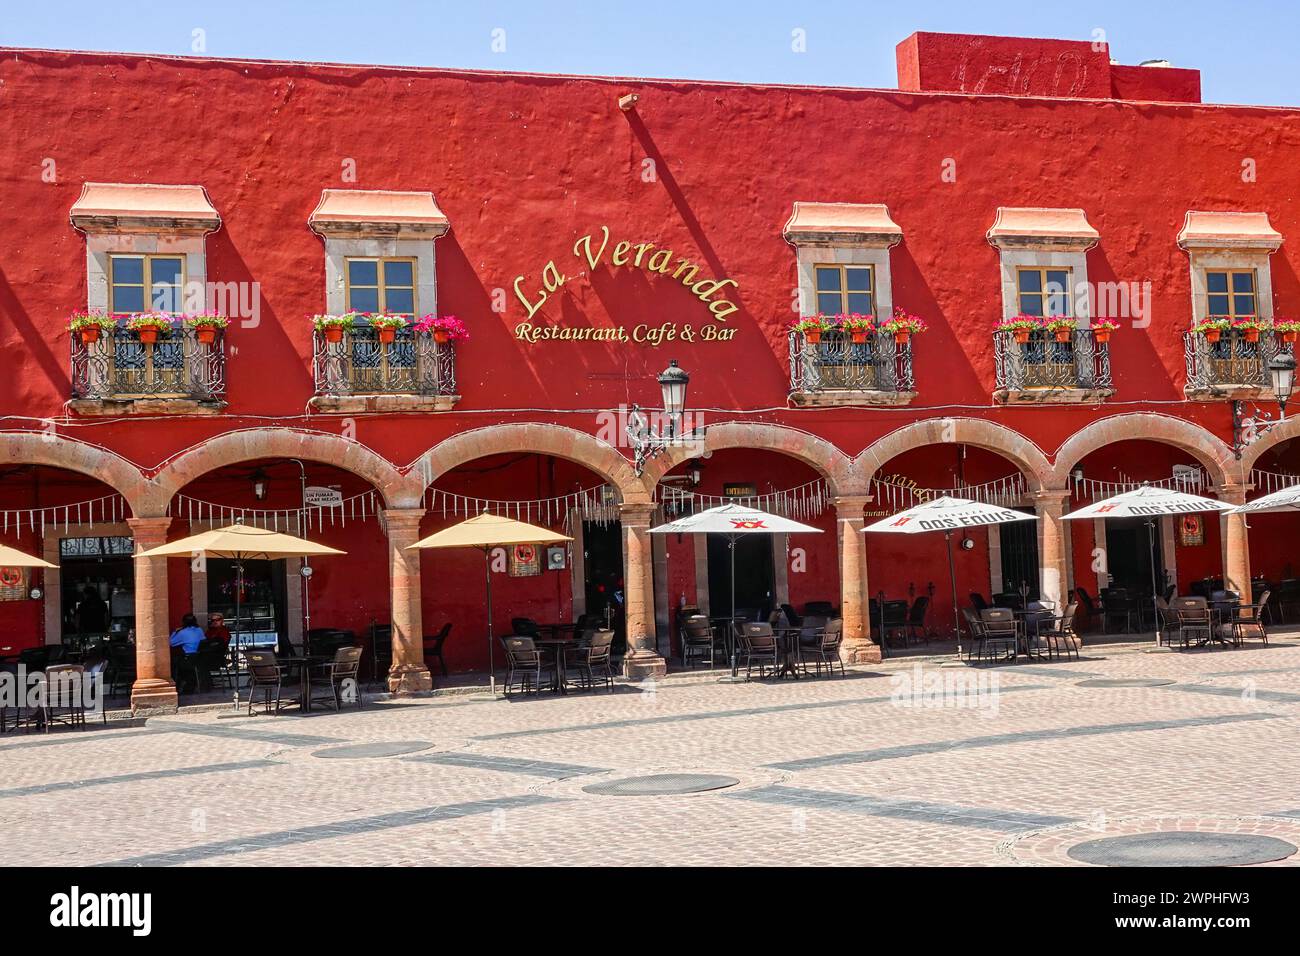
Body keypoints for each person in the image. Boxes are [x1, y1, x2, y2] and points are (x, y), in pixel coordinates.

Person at [169, 614, 205, 693]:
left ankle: (178, 684)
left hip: (187, 659)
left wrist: (175, 631)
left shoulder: (182, 632)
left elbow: (170, 643)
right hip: (199, 658)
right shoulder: (200, 630)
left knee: (173, 663)